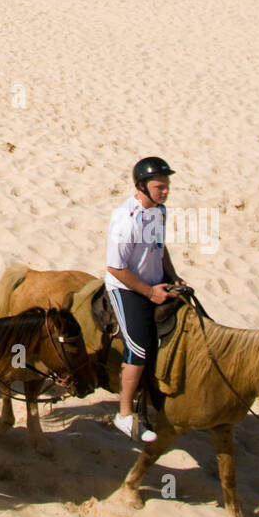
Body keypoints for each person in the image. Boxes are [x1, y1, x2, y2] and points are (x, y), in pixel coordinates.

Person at [105, 156, 185, 443]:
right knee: (138, 350)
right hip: (126, 288)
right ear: (142, 186)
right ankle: (124, 414)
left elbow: (160, 249)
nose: (165, 191)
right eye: (159, 186)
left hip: (154, 280)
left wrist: (172, 276)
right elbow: (115, 267)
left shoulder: (159, 211)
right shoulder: (126, 220)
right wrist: (150, 292)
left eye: (167, 186)